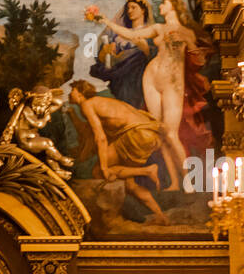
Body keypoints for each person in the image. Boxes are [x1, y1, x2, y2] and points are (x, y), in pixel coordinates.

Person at [91, 0, 214, 158]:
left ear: (173, 6)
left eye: (164, 3)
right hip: (151, 76)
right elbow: (131, 35)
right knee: (157, 129)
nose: (160, 6)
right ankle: (174, 181)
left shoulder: (186, 31)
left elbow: (198, 58)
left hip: (173, 81)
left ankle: (186, 182)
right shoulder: (158, 28)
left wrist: (185, 40)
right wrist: (106, 21)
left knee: (171, 133)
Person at [67, 80, 178, 221]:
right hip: (149, 135)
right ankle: (161, 216)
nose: (70, 93)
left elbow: (100, 138)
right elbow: (86, 132)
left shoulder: (87, 105)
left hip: (136, 135)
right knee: (130, 184)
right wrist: (72, 115)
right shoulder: (101, 102)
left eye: (73, 90)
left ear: (80, 93)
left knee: (98, 171)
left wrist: (104, 167)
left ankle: (147, 170)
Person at [87, 0, 153, 110]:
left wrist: (144, 49)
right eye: (128, 8)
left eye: (133, 7)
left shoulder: (150, 31)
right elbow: (102, 57)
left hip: (136, 76)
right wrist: (107, 50)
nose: (129, 11)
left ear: (143, 10)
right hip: (117, 76)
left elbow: (151, 54)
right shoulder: (118, 34)